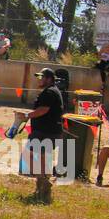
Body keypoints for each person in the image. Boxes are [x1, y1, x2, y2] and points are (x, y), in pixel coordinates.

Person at [20, 67, 66, 198]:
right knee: (43, 160)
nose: (39, 79)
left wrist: (27, 116)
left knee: (28, 156)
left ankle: (44, 183)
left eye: (42, 77)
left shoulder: (49, 92)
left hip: (45, 132)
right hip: (50, 132)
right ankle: (42, 190)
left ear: (49, 79)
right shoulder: (53, 91)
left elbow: (43, 110)